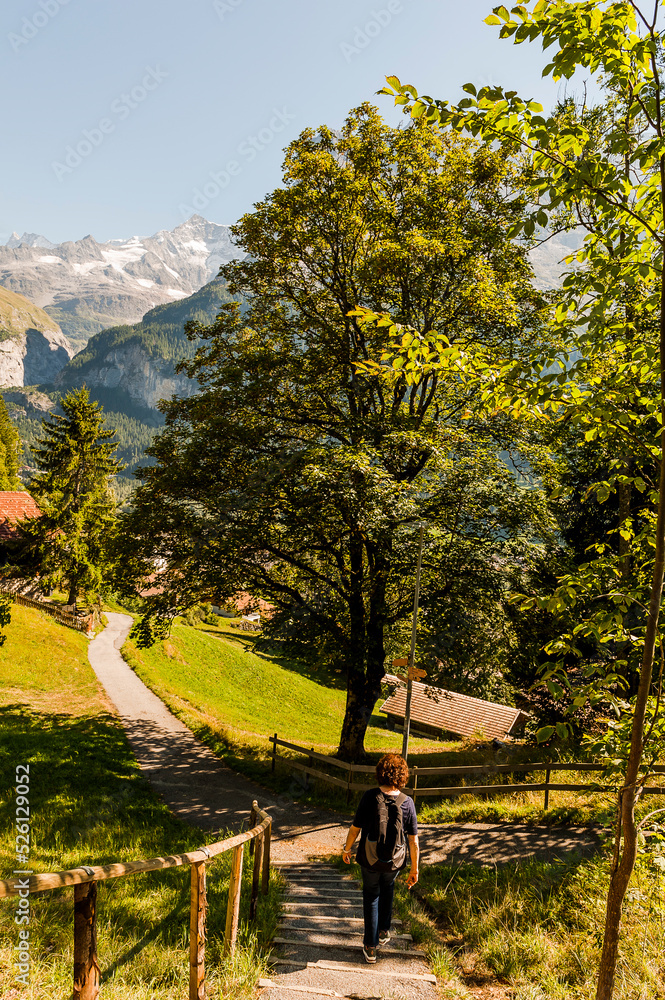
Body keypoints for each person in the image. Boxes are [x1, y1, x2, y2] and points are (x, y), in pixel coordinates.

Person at [342, 752, 419, 964]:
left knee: (371, 895)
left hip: (369, 858)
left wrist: (347, 850)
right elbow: (413, 841)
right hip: (394, 861)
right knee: (388, 888)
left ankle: (371, 947)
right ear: (403, 776)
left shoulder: (369, 796)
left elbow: (355, 828)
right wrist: (414, 869)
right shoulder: (408, 802)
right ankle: (384, 930)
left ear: (380, 773)